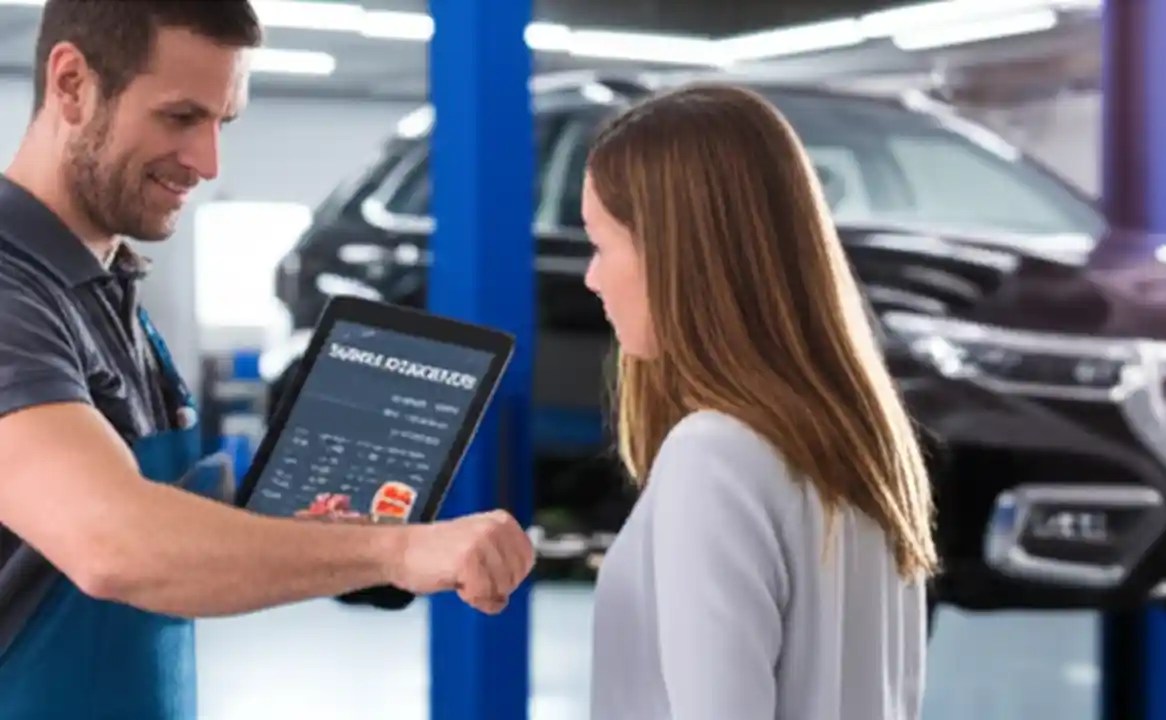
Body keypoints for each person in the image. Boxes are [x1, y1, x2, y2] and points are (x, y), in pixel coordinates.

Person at [0, 2, 533, 717]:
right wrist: (397, 552)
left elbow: (151, 519)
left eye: (222, 123)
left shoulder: (112, 296)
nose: (207, 163)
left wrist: (302, 524)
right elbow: (112, 542)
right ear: (71, 83)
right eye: (180, 117)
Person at [582, 83, 939, 719]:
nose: (591, 277)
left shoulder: (711, 454)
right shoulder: (861, 448)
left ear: (677, 255)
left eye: (603, 244)